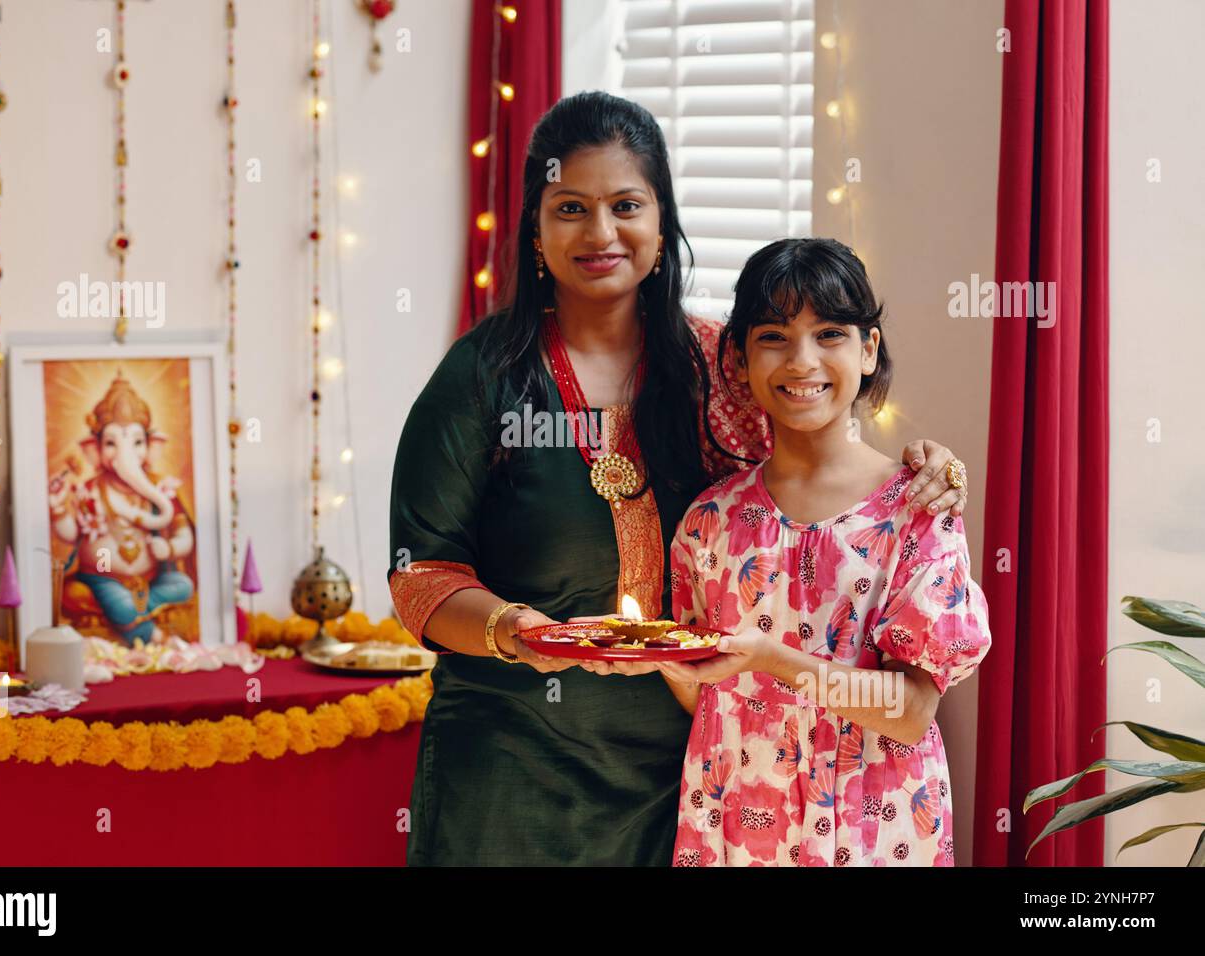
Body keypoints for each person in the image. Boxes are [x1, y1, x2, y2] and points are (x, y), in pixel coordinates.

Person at [388, 92, 970, 866]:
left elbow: (819, 450)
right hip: (511, 765)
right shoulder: (485, 377)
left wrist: (930, 467)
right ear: (534, 228)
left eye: (627, 204)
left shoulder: (717, 367)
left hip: (696, 777)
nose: (601, 233)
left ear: (662, 222)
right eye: (570, 209)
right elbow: (419, 575)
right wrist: (520, 634)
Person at [659, 238, 991, 866]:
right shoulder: (709, 522)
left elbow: (910, 710)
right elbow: (703, 695)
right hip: (737, 827)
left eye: (830, 333)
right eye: (774, 336)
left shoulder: (918, 510)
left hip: (876, 834)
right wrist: (663, 662)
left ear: (868, 351)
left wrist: (770, 659)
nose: (802, 360)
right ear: (738, 359)